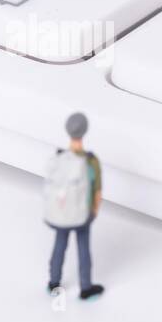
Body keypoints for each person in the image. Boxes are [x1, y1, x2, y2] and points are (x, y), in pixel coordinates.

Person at [44, 113, 104, 301]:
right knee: (83, 248)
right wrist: (94, 211)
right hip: (82, 214)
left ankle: (54, 283)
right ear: (84, 132)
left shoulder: (59, 156)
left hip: (61, 213)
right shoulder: (91, 161)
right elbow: (97, 192)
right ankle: (85, 287)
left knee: (59, 245)